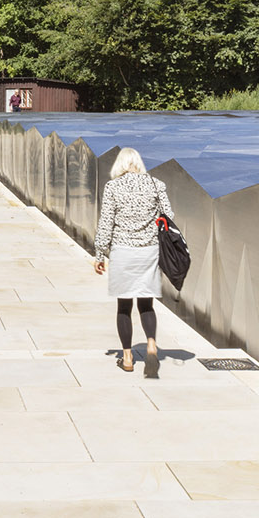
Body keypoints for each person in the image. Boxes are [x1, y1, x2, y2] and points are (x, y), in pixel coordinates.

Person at [92, 147, 173, 377]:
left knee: (124, 306)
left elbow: (107, 222)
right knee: (146, 304)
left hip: (123, 252)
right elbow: (169, 216)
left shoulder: (113, 187)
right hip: (149, 251)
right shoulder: (156, 184)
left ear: (119, 164)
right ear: (139, 163)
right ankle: (150, 343)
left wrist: (99, 254)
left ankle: (127, 357)